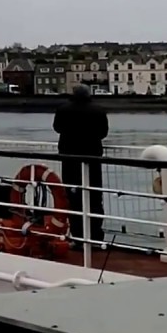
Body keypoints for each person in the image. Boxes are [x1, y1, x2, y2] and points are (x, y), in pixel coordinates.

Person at [52, 85, 108, 244]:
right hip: (92, 158)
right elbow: (103, 133)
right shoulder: (98, 110)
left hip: (69, 157)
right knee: (94, 197)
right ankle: (96, 235)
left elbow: (57, 128)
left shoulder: (63, 109)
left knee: (72, 196)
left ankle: (77, 234)